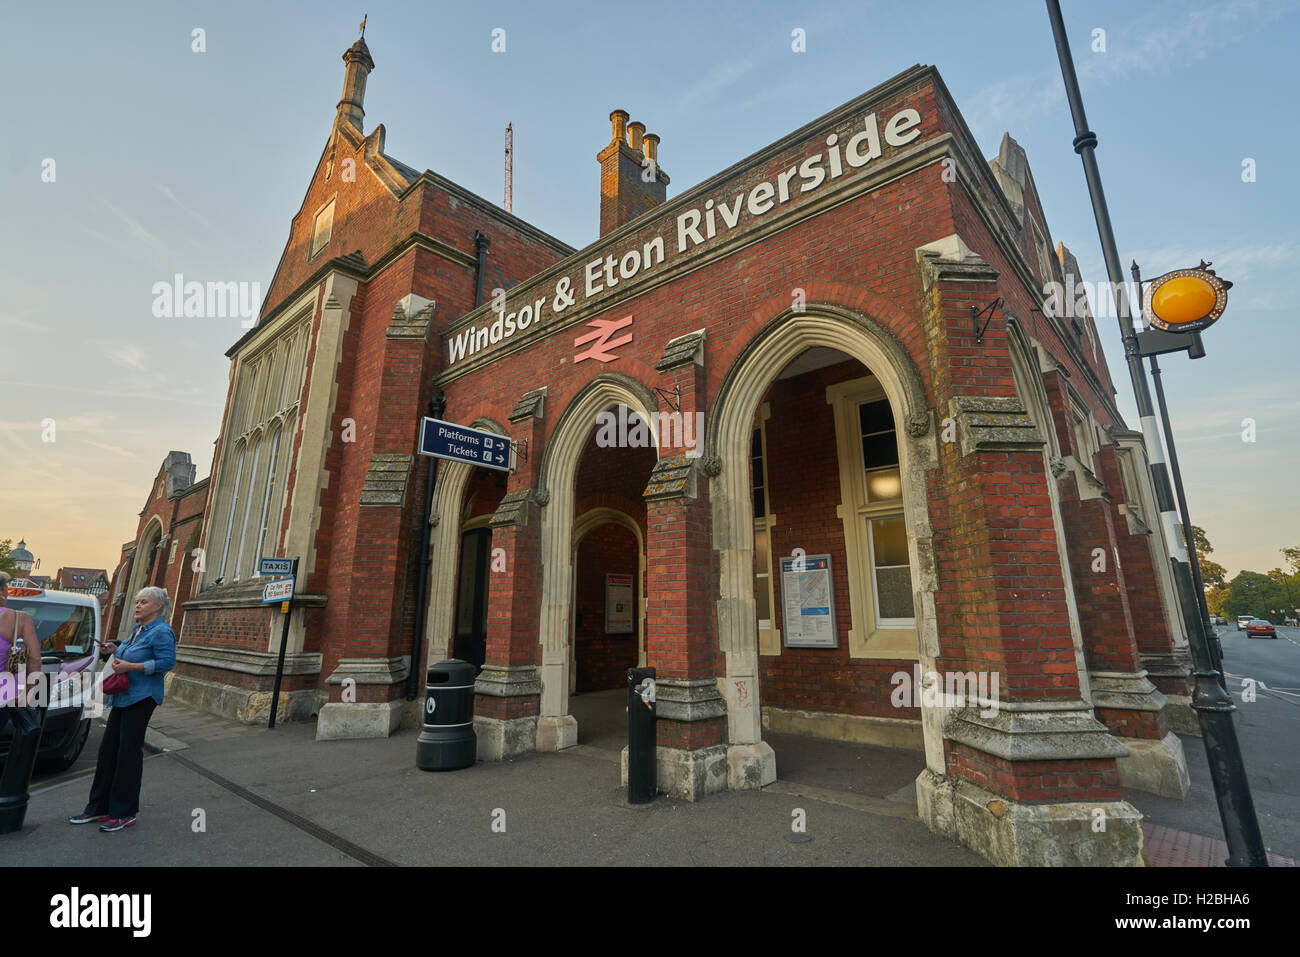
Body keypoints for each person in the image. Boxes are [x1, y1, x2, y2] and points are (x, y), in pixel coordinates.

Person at [69, 586, 176, 832]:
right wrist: (114, 651)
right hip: (123, 696)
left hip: (142, 697)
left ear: (158, 607)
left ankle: (124, 812)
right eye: (137, 601)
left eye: (144, 602)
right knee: (108, 752)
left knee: (128, 754)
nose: (137, 605)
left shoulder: (162, 631)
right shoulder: (138, 629)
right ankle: (98, 808)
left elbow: (167, 662)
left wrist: (132, 666)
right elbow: (128, 654)